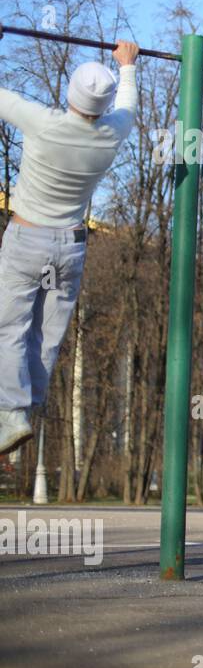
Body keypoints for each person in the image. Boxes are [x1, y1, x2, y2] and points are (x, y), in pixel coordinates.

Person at [0, 40, 139, 455]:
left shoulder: (44, 123)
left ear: (70, 95)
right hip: (70, 248)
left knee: (10, 328)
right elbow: (128, 105)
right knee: (48, 335)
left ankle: (12, 412)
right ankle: (29, 409)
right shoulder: (111, 134)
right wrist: (127, 64)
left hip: (28, 240)